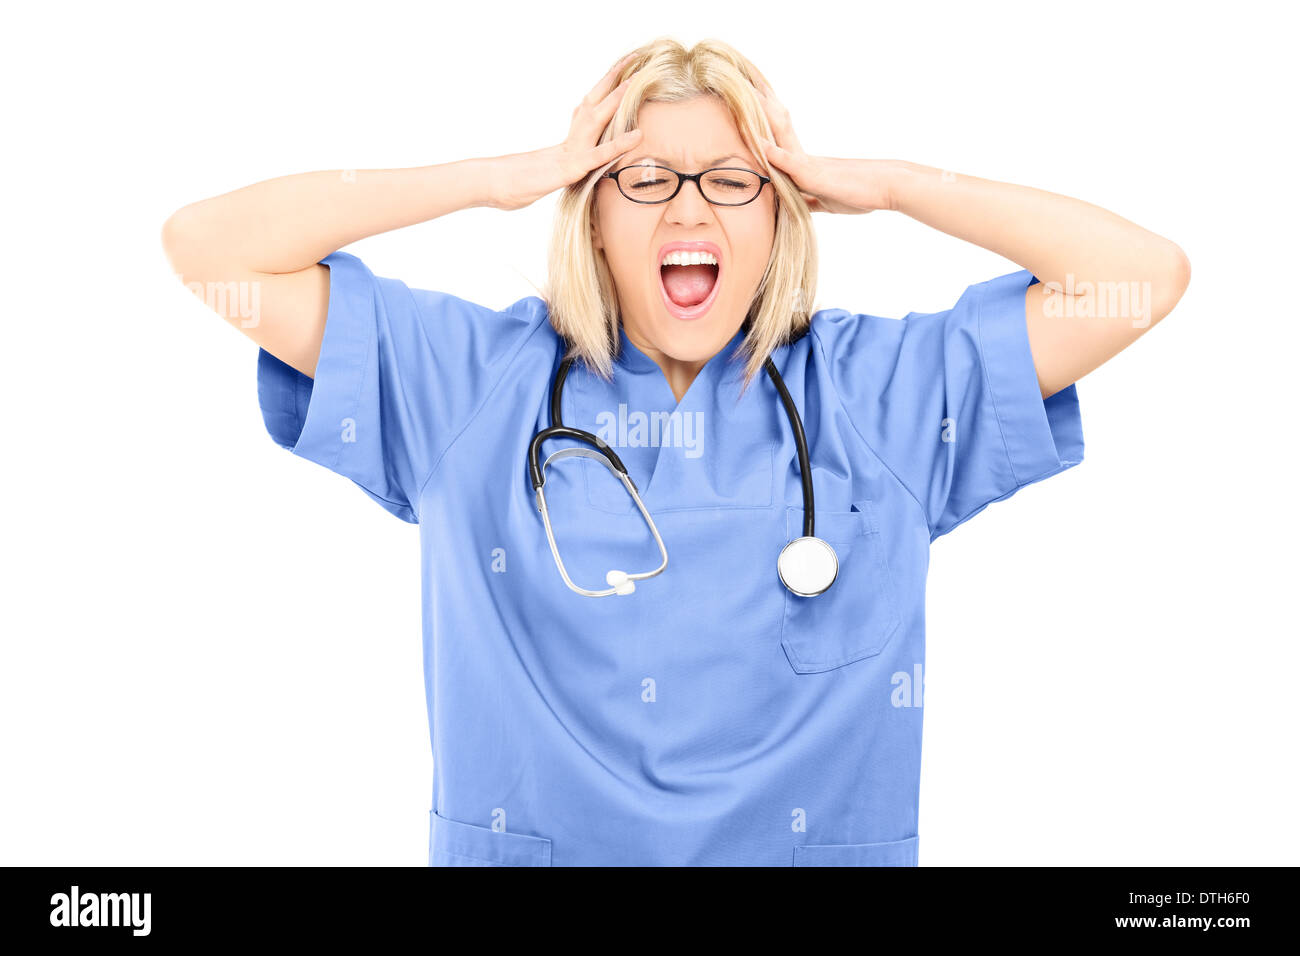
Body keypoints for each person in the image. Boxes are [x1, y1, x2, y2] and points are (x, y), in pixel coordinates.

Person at [161, 36, 1190, 866]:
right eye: (643, 176)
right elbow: (208, 248)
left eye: (733, 179)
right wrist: (500, 177)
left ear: (782, 215)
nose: (689, 205)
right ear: (594, 216)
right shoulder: (466, 381)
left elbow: (1141, 276)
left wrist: (885, 183)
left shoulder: (884, 393)